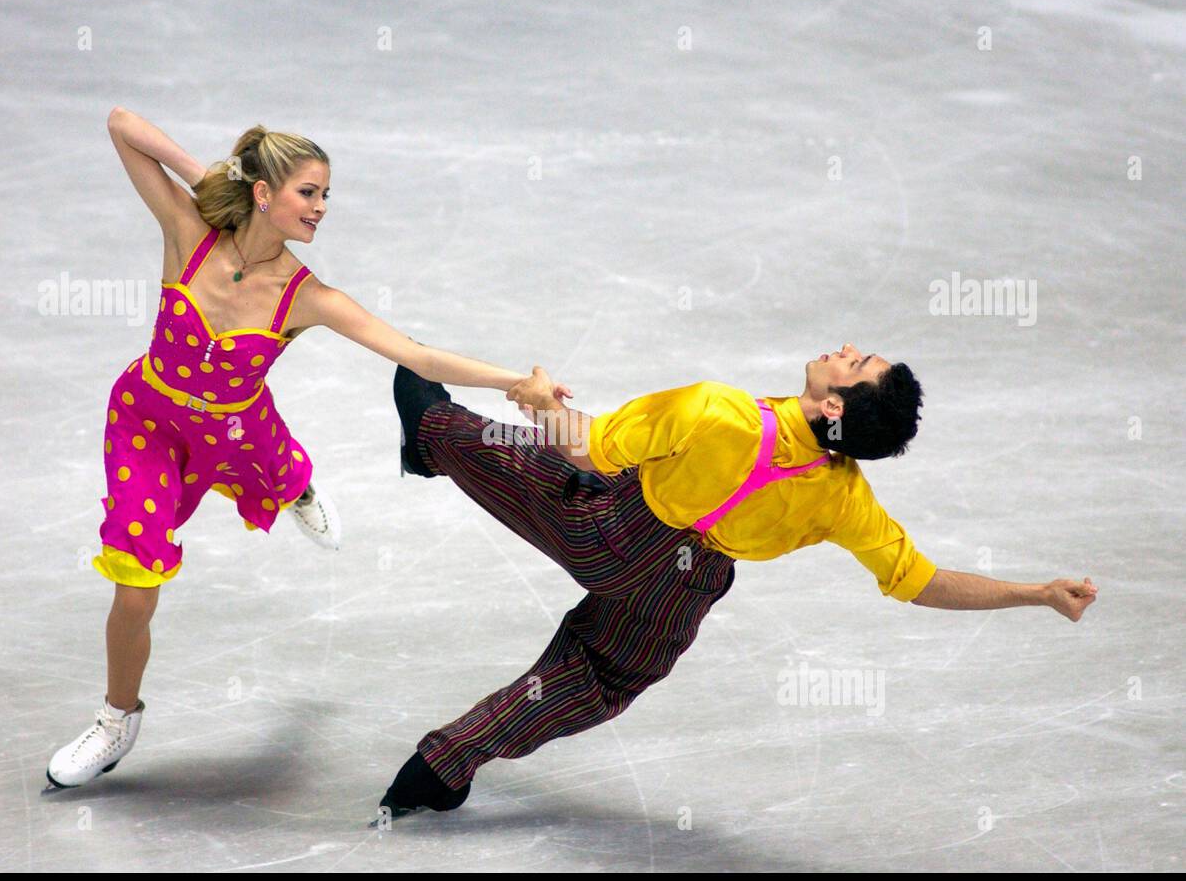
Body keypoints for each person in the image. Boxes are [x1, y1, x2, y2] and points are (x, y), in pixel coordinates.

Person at [46, 108, 558, 789]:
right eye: (308, 193)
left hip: (236, 427)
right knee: (137, 584)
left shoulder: (307, 296)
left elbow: (415, 352)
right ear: (265, 192)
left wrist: (515, 381)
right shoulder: (188, 233)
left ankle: (297, 489)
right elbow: (120, 124)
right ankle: (117, 720)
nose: (320, 209)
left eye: (325, 197)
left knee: (280, 471)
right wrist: (213, 178)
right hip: (147, 423)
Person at [377, 345, 1099, 818]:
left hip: (606, 528)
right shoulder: (844, 496)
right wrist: (1034, 594)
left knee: (510, 449)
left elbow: (589, 448)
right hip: (678, 595)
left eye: (856, 361)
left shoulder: (716, 410)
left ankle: (432, 432)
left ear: (836, 405)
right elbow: (920, 581)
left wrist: (539, 399)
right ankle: (443, 765)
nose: (844, 348)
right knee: (598, 676)